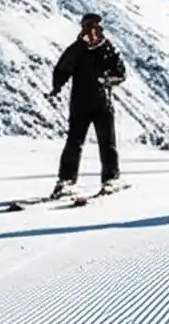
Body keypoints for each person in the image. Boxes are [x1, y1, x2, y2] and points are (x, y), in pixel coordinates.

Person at [48, 12, 127, 198]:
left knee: (107, 143)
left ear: (100, 30)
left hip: (102, 105)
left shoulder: (108, 49)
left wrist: (107, 78)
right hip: (81, 104)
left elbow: (121, 73)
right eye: (87, 27)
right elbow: (61, 69)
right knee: (74, 143)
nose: (91, 31)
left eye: (94, 27)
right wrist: (56, 87)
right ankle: (66, 180)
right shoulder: (77, 49)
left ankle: (111, 179)